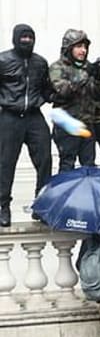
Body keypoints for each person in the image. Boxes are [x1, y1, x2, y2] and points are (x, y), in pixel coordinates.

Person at [0, 24, 53, 227]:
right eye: (23, 37)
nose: (27, 41)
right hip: (9, 116)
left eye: (30, 37)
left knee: (45, 158)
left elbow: (46, 90)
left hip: (33, 115)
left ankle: (41, 205)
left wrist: (59, 94)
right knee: (6, 163)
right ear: (15, 39)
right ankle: (3, 207)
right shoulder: (3, 60)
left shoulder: (40, 62)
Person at [48, 29, 100, 173]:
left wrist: (98, 80)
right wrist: (86, 75)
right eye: (78, 46)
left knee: (89, 165)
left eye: (85, 47)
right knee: (67, 163)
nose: (83, 50)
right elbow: (64, 90)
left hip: (87, 123)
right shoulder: (58, 67)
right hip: (67, 123)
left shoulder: (88, 67)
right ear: (69, 48)